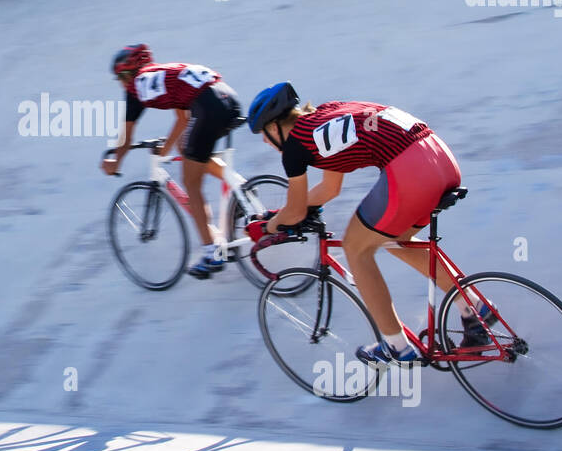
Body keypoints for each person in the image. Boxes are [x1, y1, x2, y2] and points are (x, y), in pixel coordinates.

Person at [244, 82, 493, 363]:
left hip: (411, 167)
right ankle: (475, 309)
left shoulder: (295, 147)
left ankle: (396, 346)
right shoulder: (324, 115)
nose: (265, 142)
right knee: (396, 240)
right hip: (440, 157)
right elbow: (329, 189)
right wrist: (286, 214)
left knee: (356, 248)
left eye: (263, 135)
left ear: (274, 127)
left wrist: (267, 226)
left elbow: (295, 213)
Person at [101, 44, 242, 278]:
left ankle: (212, 253)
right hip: (227, 99)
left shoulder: (137, 86)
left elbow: (126, 137)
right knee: (186, 148)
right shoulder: (164, 74)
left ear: (135, 71)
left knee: (191, 182)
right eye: (119, 78)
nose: (123, 83)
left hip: (208, 107)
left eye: (124, 76)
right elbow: (182, 120)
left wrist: (115, 161)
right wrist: (164, 150)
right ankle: (243, 189)